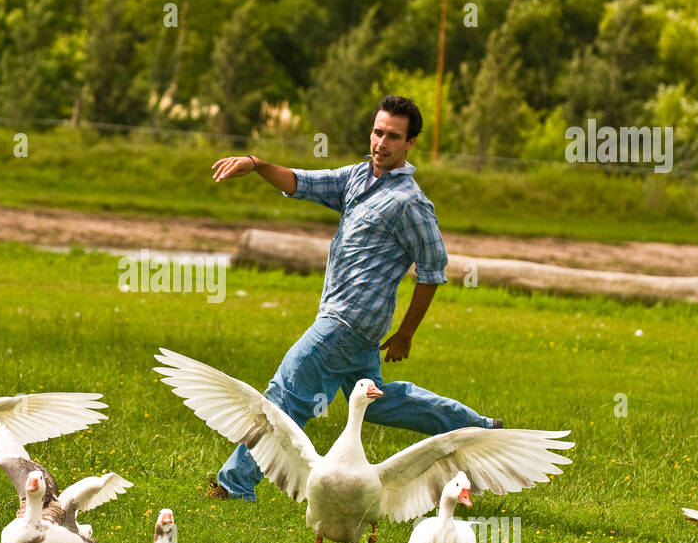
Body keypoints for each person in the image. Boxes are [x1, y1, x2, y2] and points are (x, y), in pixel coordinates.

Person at [208, 94, 498, 501]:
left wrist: (406, 333)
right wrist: (256, 165)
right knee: (379, 403)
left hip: (345, 324)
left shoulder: (411, 203)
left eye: (393, 137)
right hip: (351, 326)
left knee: (285, 395)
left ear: (410, 144)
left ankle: (233, 485)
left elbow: (433, 272)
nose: (382, 143)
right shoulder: (357, 178)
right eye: (378, 132)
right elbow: (302, 182)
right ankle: (479, 429)